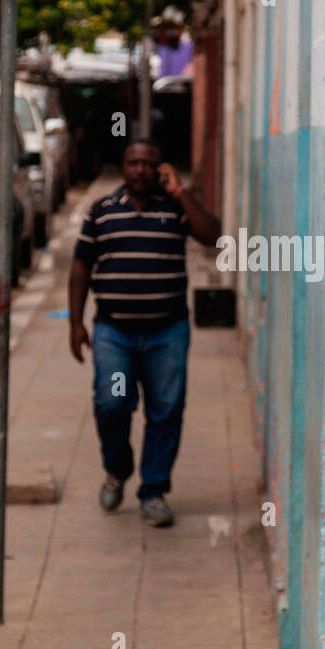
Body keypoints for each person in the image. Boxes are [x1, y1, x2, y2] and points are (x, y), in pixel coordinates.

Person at [69, 140, 222, 526]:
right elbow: (80, 267)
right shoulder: (102, 212)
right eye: (133, 163)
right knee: (113, 403)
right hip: (115, 335)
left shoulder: (173, 208)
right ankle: (118, 468)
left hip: (166, 333)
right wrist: (75, 322)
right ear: (123, 167)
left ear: (160, 169)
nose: (140, 169)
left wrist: (181, 191)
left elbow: (213, 236)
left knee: (165, 410)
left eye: (148, 163)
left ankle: (152, 491)